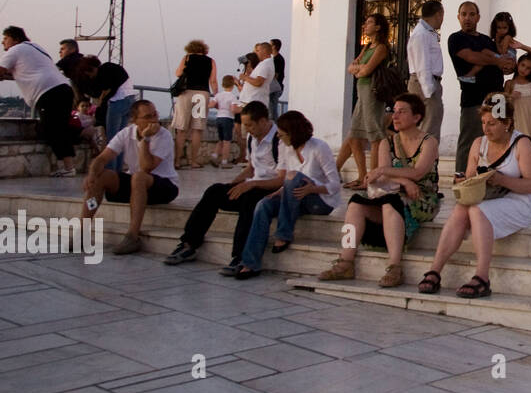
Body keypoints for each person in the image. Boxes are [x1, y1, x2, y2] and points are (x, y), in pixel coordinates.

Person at [417, 93, 531, 298]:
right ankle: (435, 270)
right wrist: (462, 181)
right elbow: (469, 177)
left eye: (492, 123)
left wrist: (501, 179)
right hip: (486, 197)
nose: (486, 128)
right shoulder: (479, 144)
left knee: (476, 209)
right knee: (461, 208)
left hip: (517, 202)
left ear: (507, 123)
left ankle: (482, 276)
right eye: (483, 122)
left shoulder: (522, 144)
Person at [318, 93, 439, 288]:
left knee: (390, 204)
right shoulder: (387, 142)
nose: (395, 116)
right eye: (394, 111)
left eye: (402, 112)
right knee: (355, 203)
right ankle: (345, 260)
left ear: (417, 117)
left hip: (422, 197)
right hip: (395, 191)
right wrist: (402, 181)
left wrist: (384, 171)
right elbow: (383, 178)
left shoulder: (428, 142)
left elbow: (417, 173)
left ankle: (395, 266)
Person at [162, 101, 285, 274]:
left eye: (250, 125)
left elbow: (282, 179)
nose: (246, 129)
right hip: (253, 184)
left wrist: (251, 185)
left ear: (263, 121)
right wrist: (234, 185)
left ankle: (241, 255)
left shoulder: (280, 140)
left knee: (250, 200)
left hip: (271, 190)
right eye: (245, 125)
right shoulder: (252, 138)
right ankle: (189, 244)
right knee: (215, 191)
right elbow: (251, 168)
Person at [232, 110, 343, 278]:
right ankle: (250, 263)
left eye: (282, 134)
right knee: (263, 205)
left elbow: (335, 184)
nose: (279, 137)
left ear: (293, 133)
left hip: (321, 200)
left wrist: (311, 188)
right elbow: (287, 181)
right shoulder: (285, 147)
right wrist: (280, 191)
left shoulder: (319, 147)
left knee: (294, 176)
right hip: (295, 198)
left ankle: (284, 234)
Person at [82, 98, 179, 254]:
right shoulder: (126, 133)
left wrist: (146, 139)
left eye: (155, 114)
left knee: (139, 176)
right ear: (134, 120)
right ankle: (83, 229)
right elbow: (103, 158)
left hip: (165, 186)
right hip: (137, 184)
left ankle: (133, 236)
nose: (154, 119)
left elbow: (147, 167)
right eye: (148, 117)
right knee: (101, 176)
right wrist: (92, 174)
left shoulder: (164, 135)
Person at [0, 26, 78, 176]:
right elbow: (25, 71)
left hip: (48, 92)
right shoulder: (35, 48)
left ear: (15, 39)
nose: (3, 42)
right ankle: (69, 166)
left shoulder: (14, 50)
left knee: (53, 129)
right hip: (63, 88)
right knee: (59, 127)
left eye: (5, 38)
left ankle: (68, 168)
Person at [448, 2, 513, 176]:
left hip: (496, 97)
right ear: (458, 17)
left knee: (498, 138)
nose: (467, 18)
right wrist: (493, 60)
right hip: (473, 98)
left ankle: (496, 177)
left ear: (478, 17)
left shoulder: (486, 40)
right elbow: (470, 56)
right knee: (469, 140)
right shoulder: (456, 38)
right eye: (463, 14)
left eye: (471, 14)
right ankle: (461, 177)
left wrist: (496, 60)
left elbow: (504, 62)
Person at [341, 14, 391, 188]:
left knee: (375, 135)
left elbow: (366, 71)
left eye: (369, 22)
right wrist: (359, 69)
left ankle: (373, 177)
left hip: (372, 92)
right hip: (361, 93)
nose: (365, 25)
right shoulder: (367, 46)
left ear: (378, 27)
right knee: (354, 136)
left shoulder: (382, 48)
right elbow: (351, 68)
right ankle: (363, 176)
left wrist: (359, 69)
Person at [172, 39, 217, 169]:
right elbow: (213, 81)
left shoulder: (187, 58)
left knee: (181, 129)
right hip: (202, 94)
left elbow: (178, 73)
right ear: (204, 49)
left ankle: (177, 161)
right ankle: (194, 161)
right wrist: (216, 94)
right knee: (197, 129)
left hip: (186, 93)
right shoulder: (211, 61)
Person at [406, 0, 445, 138]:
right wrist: (429, 92)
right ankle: (426, 158)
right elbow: (422, 64)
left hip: (427, 83)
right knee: (429, 129)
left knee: (430, 127)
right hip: (424, 84)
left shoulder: (427, 33)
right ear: (438, 14)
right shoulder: (421, 34)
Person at [212, 75, 241, 167]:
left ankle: (214, 156)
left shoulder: (218, 95)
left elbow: (211, 104)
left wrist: (220, 107)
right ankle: (224, 161)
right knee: (227, 141)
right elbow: (233, 110)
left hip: (219, 118)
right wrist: (242, 109)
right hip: (228, 119)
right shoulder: (232, 97)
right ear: (233, 85)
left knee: (220, 139)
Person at [269, 38, 286, 118]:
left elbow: (275, 75)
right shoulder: (276, 59)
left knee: (272, 111)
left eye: (270, 45)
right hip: (276, 87)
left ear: (274, 47)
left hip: (275, 88)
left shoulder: (277, 59)